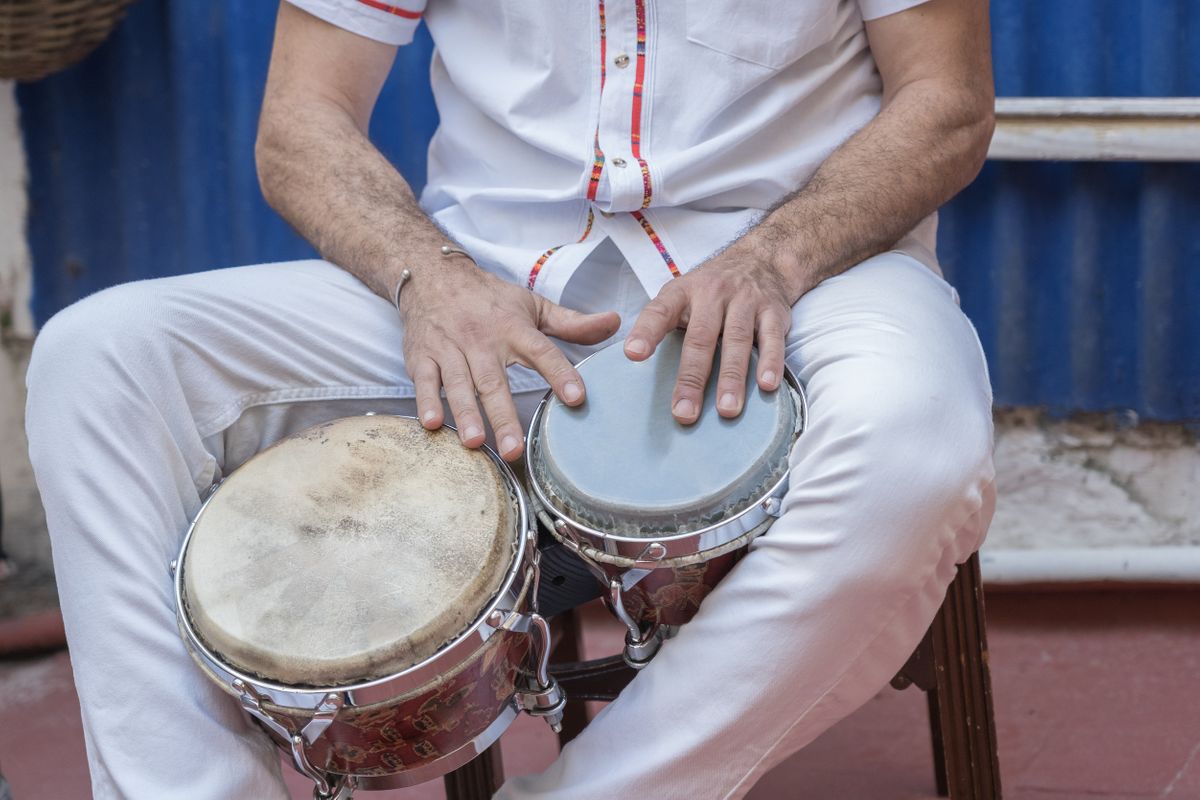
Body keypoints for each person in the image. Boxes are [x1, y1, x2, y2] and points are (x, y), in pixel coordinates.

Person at [25, 0, 997, 797]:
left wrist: (773, 259)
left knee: (913, 440)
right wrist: (428, 275)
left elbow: (947, 102)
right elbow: (300, 127)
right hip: (492, 295)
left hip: (794, 283)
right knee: (98, 355)